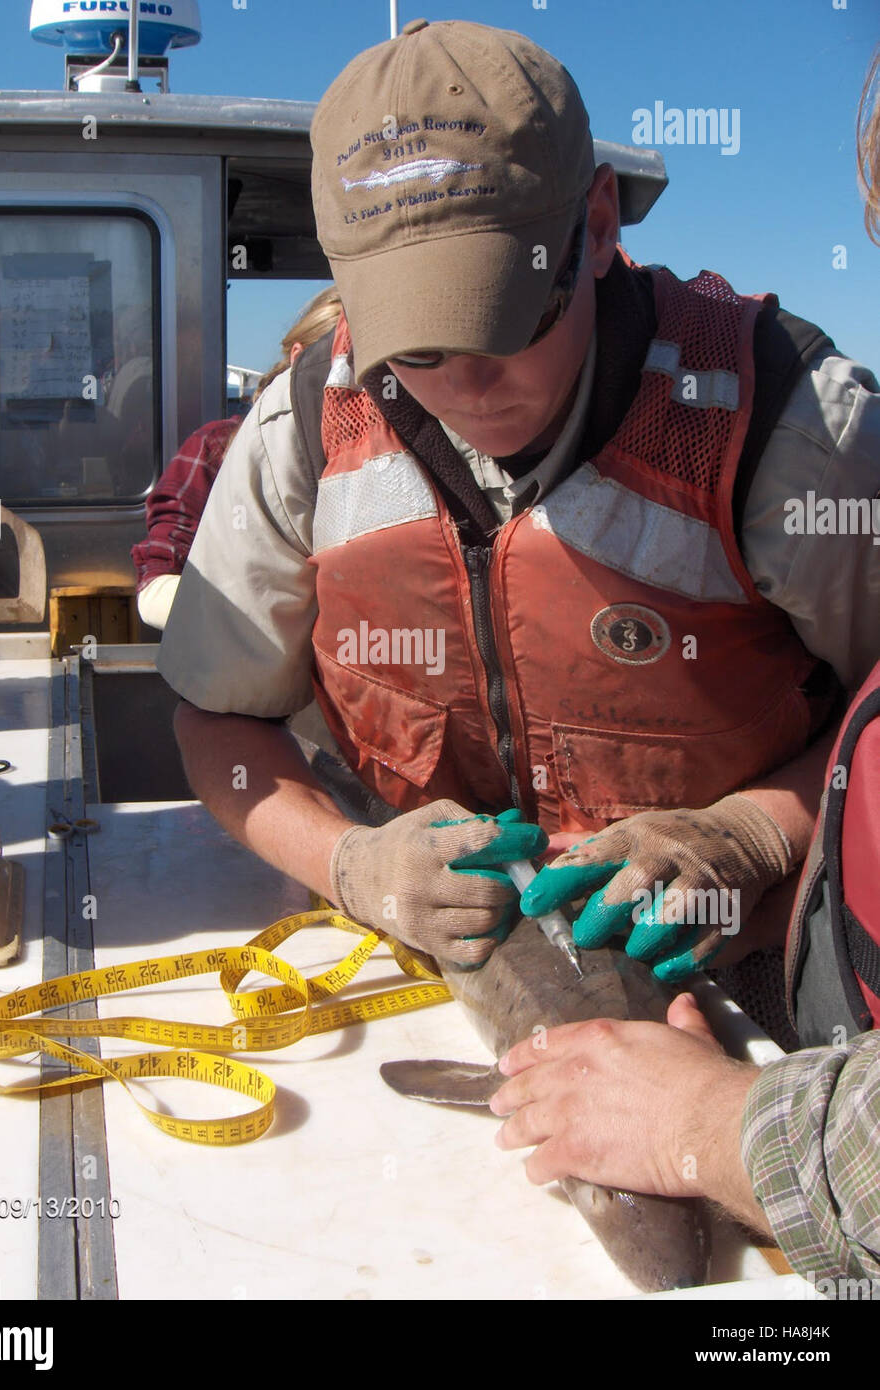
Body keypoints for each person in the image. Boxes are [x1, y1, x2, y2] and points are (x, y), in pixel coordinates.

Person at [158, 21, 880, 1282]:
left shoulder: (794, 431)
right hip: (433, 957)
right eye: (416, 344)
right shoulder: (297, 434)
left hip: (748, 984)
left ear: (599, 225)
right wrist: (353, 866)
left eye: (505, 315)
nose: (469, 381)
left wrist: (754, 831)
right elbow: (216, 728)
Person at [133, 286, 341, 629]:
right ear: (298, 359)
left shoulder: (397, 455)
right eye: (338, 370)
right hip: (262, 667)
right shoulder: (215, 448)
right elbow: (157, 583)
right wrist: (261, 620)